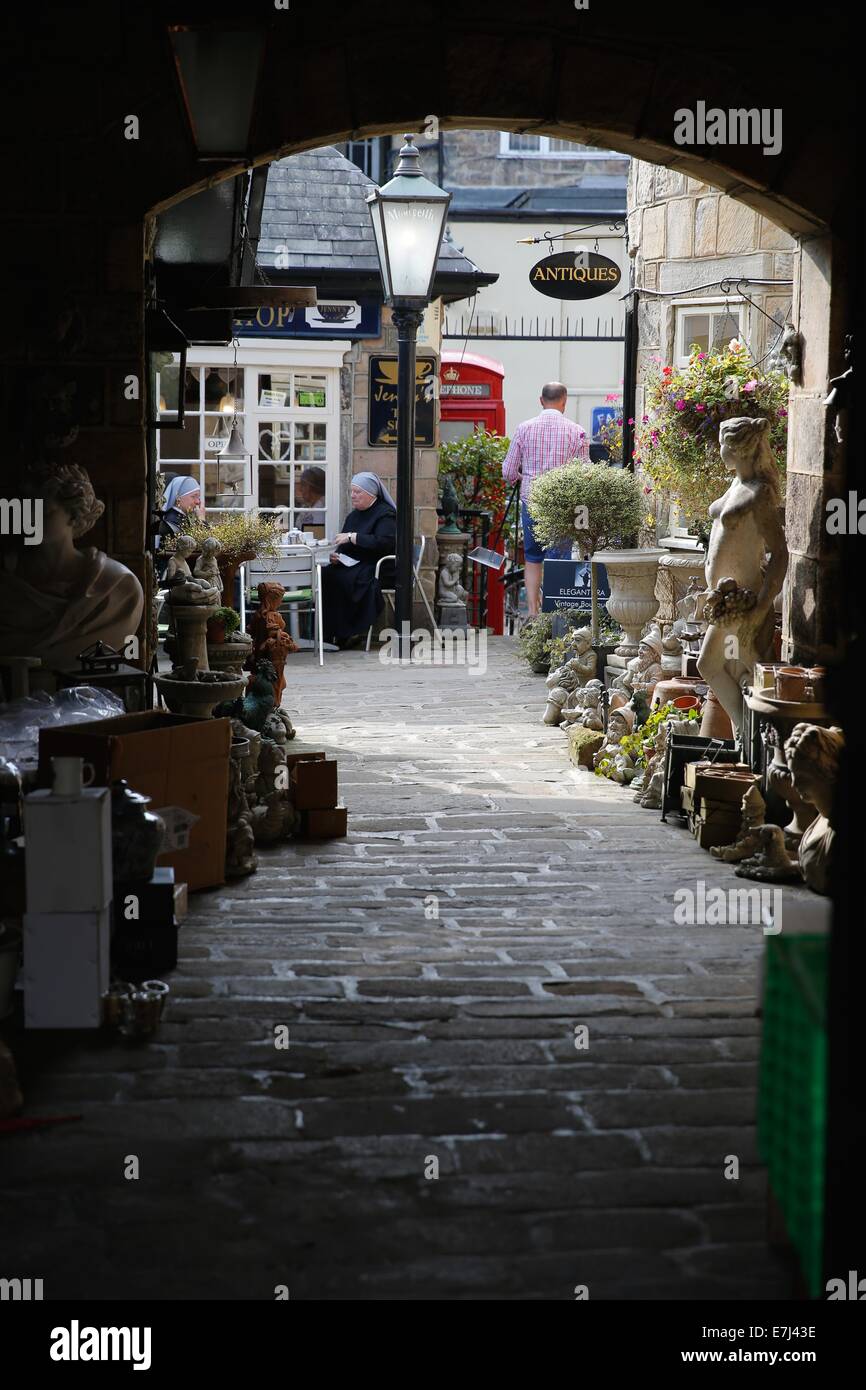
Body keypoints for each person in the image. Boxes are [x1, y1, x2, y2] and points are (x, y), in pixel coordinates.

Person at [502, 382, 589, 618]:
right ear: (564, 402)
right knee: (558, 558)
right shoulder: (576, 431)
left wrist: (522, 477)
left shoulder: (524, 429)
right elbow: (584, 473)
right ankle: (554, 615)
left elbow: (508, 471)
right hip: (561, 504)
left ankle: (532, 612)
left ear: (541, 400)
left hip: (532, 501)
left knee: (532, 557)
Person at [319, 472, 397, 645]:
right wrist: (337, 556)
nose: (353, 496)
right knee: (325, 575)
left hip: (379, 566)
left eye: (357, 492)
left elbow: (383, 543)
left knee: (345, 579)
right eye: (352, 491)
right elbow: (345, 545)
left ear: (371, 494)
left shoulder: (386, 514)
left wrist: (353, 537)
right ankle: (328, 632)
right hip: (356, 565)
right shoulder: (354, 515)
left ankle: (349, 633)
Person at [156, 475, 204, 548]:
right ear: (178, 498)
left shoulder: (181, 518)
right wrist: (201, 520)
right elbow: (201, 544)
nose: (198, 502)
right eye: (194, 496)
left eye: (198, 497)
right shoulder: (172, 521)